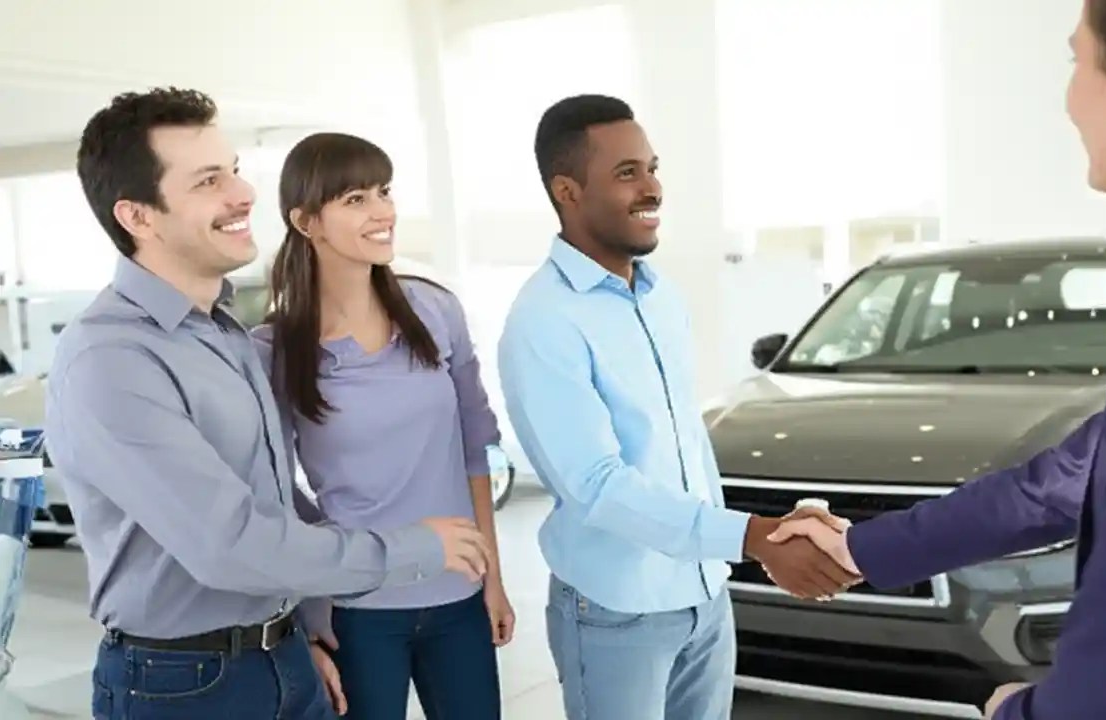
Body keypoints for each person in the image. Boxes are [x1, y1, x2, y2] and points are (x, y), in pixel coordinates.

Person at [775, 1, 1106, 717]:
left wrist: (1010, 708)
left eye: (1075, 60)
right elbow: (1070, 477)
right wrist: (859, 546)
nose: (1069, 99)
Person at [43, 88, 494, 720]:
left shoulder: (222, 333)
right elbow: (230, 541)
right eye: (208, 180)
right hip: (183, 684)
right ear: (138, 216)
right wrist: (411, 547)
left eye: (232, 169)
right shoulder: (112, 359)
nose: (243, 193)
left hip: (282, 657)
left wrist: (304, 626)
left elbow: (277, 498)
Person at [496, 94, 857, 720]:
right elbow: (598, 486)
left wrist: (760, 531)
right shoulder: (543, 322)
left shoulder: (660, 296)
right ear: (568, 190)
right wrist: (753, 536)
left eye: (653, 167)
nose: (653, 187)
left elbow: (681, 446)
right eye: (627, 173)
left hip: (704, 596)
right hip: (617, 611)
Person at [252, 131, 513, 720]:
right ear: (305, 221)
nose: (383, 212)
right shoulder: (273, 350)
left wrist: (491, 577)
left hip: (458, 597)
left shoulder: (435, 311)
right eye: (355, 200)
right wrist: (313, 604)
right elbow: (271, 490)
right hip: (357, 611)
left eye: (384, 192)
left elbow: (475, 451)